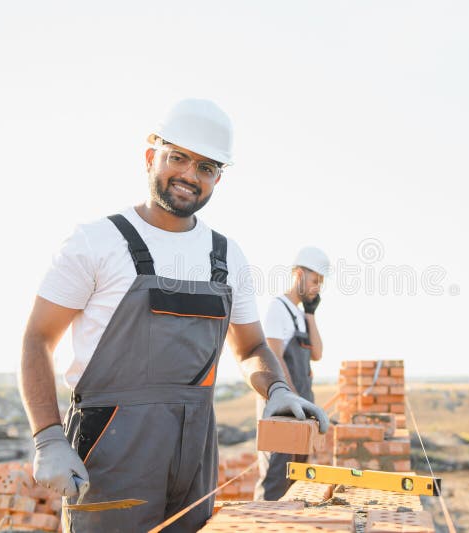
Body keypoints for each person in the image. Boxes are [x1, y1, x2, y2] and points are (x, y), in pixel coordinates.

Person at [18, 98, 329, 532]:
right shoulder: (96, 242)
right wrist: (48, 436)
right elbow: (37, 339)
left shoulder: (227, 256)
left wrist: (276, 387)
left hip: (195, 450)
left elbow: (253, 346)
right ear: (151, 157)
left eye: (206, 167)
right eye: (178, 157)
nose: (189, 175)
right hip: (111, 448)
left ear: (218, 178)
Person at [255, 247, 329, 501]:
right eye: (315, 280)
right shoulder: (278, 308)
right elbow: (274, 358)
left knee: (297, 478)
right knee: (277, 476)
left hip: (300, 407)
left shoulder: (299, 314)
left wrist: (311, 313)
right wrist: (294, 399)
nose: (318, 287)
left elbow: (317, 352)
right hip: (284, 408)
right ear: (298, 274)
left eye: (321, 282)